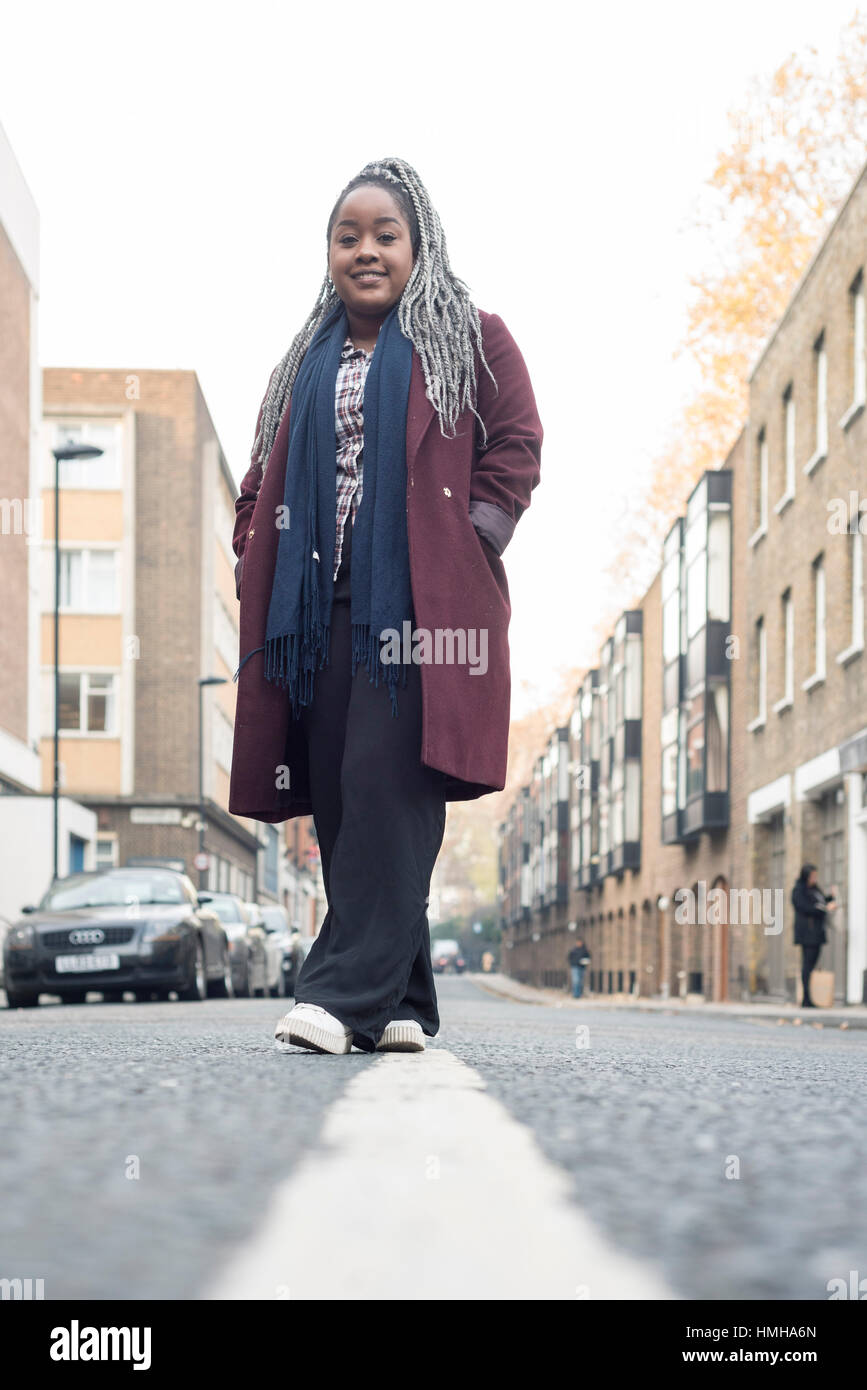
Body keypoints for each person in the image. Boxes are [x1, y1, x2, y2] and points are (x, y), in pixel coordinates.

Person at [228, 157, 543, 1055]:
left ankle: (337, 995)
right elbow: (259, 473)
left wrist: (470, 541)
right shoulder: (302, 363)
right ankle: (406, 1002)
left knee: (385, 783)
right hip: (313, 610)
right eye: (347, 236)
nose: (365, 250)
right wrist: (255, 550)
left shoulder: (474, 338)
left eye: (384, 236)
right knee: (339, 796)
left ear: (419, 245)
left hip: (419, 609)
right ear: (328, 252)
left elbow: (516, 444)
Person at [791, 864, 837, 1008]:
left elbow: (821, 902)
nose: (814, 879)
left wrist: (831, 898)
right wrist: (825, 909)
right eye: (812, 876)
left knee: (811, 965)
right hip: (807, 933)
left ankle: (807, 998)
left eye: (815, 876)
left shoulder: (815, 889)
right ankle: (806, 999)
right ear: (806, 876)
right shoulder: (799, 890)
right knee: (807, 965)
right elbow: (805, 908)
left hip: (816, 932)